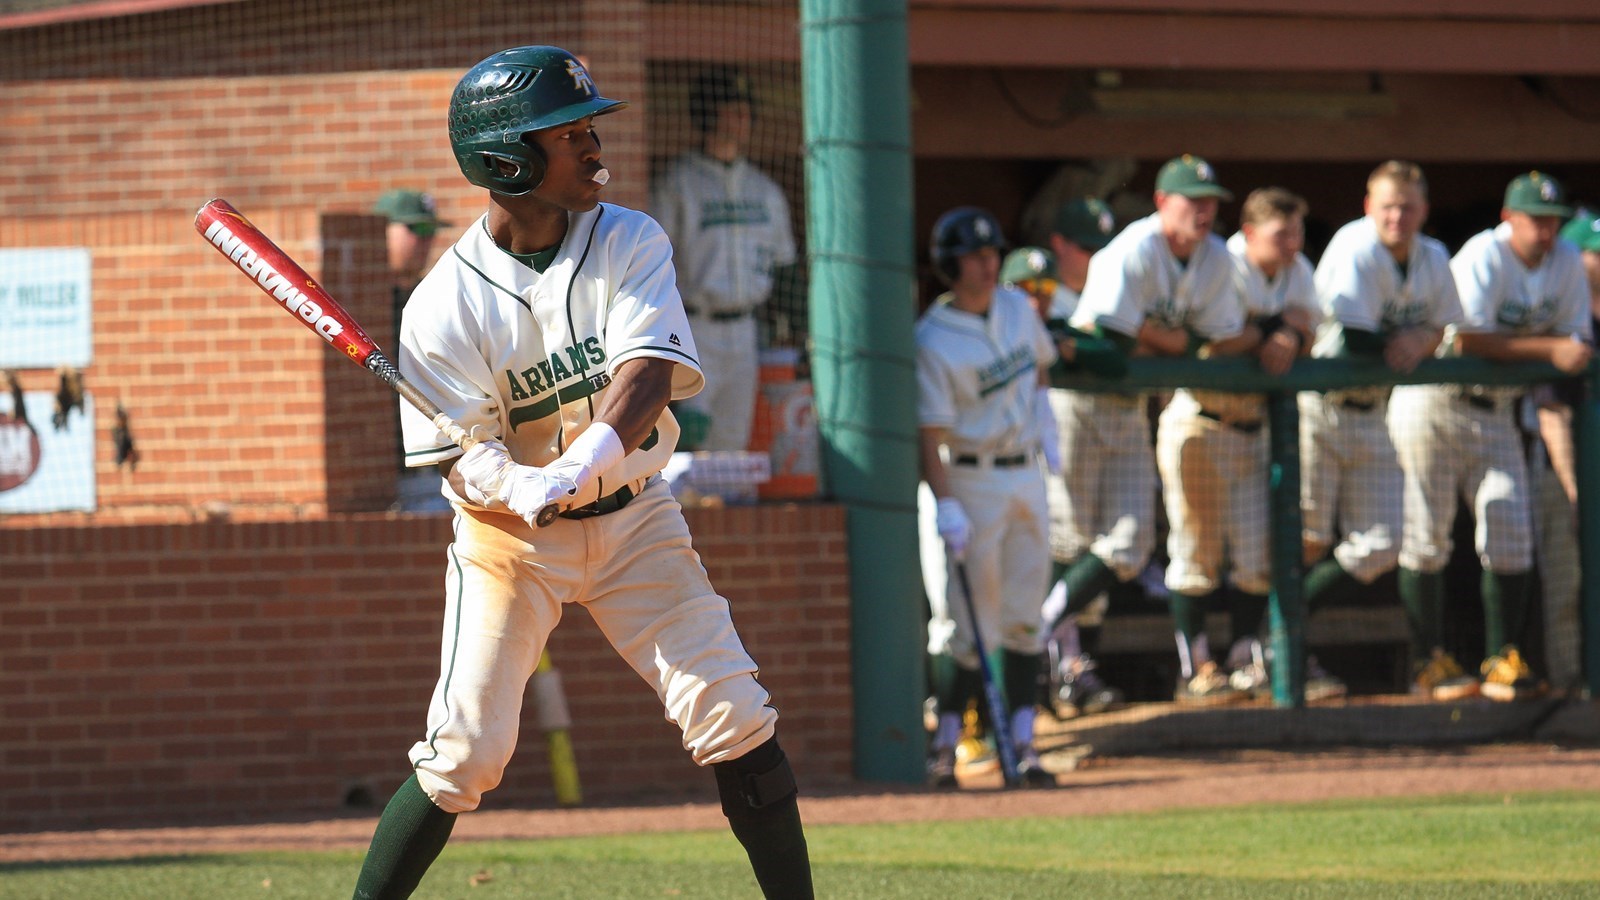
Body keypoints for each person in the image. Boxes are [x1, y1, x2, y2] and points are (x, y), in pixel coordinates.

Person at [353, 46, 812, 899]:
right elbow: (459, 453)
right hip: (508, 548)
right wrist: (511, 481)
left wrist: (575, 465)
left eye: (590, 127)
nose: (596, 145)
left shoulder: (631, 238)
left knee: (736, 717)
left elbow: (644, 374)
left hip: (638, 519)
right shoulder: (441, 305)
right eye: (571, 133)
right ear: (506, 161)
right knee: (464, 756)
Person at [1390, 171, 1592, 702]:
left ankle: (1504, 657)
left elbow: (1575, 338)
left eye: (1553, 221)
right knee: (1427, 535)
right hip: (1435, 402)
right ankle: (1426, 661)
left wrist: (1555, 348)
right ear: (1509, 218)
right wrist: (1548, 351)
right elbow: (1470, 338)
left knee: (1510, 529)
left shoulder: (1566, 261)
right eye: (1535, 220)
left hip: (1499, 410)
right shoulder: (1484, 255)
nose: (1546, 232)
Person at [1068, 155, 1251, 704]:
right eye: (1191, 201)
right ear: (1161, 202)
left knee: (1130, 543)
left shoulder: (1215, 257)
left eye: (1210, 201)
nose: (1203, 211)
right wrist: (1169, 340)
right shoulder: (1133, 249)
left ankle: (1053, 636)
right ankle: (1061, 662)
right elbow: (1115, 344)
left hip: (1130, 409)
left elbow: (1209, 344)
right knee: (1072, 540)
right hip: (1079, 402)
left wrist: (1156, 334)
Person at [1155, 187, 1338, 701]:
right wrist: (1280, 328)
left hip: (1256, 431)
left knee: (1259, 558)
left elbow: (1312, 329)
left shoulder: (1297, 269)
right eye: (1281, 235)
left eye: (1297, 233)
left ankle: (1242, 658)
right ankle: (1196, 669)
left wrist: (1286, 334)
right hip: (1203, 422)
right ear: (1251, 233)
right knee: (1197, 555)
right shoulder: (1223, 264)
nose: (1292, 244)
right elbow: (1217, 341)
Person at [1300, 160, 1469, 702]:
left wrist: (1423, 340)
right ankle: (1278, 648)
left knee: (1385, 541)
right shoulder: (1356, 247)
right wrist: (1413, 340)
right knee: (1305, 540)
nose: (1398, 216)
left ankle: (1285, 627)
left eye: (1409, 206)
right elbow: (1353, 339)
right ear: (1369, 205)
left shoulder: (1434, 255)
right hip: (1319, 409)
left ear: (1424, 210)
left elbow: (1444, 323)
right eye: (1388, 205)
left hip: (1373, 413)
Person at [918, 206, 1058, 788]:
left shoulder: (1018, 308)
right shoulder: (930, 337)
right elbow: (930, 434)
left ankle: (1022, 744)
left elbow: (1042, 372)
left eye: (992, 253)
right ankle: (946, 747)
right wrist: (945, 501)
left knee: (1027, 618)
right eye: (975, 256)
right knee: (963, 627)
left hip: (1026, 473)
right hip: (969, 479)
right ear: (951, 266)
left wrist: (1046, 430)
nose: (988, 263)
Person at [1004, 199, 1131, 718]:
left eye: (1043, 291)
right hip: (981, 474)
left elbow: (1112, 356)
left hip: (1041, 460)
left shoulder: (1082, 306)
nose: (1037, 300)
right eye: (1027, 291)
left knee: (1078, 551)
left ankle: (1069, 671)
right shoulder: (994, 323)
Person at [651, 66, 798, 452]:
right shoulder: (678, 181)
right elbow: (655, 263)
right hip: (695, 323)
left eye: (746, 111)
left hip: (747, 328)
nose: (742, 119)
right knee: (692, 435)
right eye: (732, 110)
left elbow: (785, 264)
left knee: (734, 440)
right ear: (708, 114)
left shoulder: (764, 189)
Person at [374, 188, 451, 512]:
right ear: (382, 231)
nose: (425, 240)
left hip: (435, 463)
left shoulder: (430, 296)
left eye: (429, 231)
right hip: (383, 469)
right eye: (415, 230)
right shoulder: (367, 302)